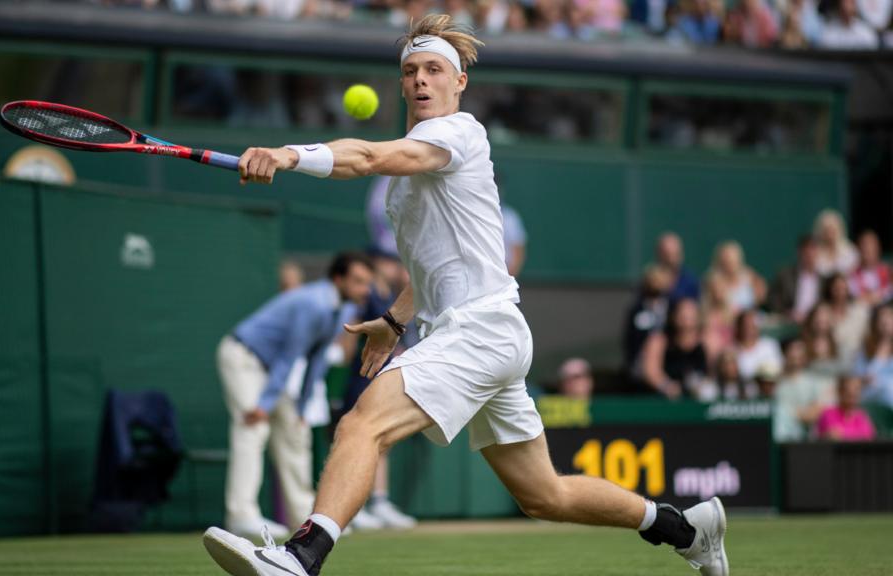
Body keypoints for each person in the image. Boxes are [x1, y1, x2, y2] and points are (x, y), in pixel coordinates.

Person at [202, 14, 728, 576]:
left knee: (361, 424)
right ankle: (687, 530)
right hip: (490, 334)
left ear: (459, 82)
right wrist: (395, 322)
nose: (421, 80)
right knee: (544, 494)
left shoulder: (459, 133)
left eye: (434, 69)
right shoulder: (402, 189)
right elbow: (430, 267)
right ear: (402, 85)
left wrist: (288, 154)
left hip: (479, 329)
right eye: (411, 71)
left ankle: (299, 558)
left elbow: (368, 157)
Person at [216, 252, 373, 541]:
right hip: (243, 357)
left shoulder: (344, 309)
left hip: (269, 368)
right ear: (338, 279)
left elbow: (317, 359)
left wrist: (302, 406)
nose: (365, 289)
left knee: (294, 432)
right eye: (358, 281)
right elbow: (290, 355)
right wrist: (264, 405)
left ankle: (304, 518)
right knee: (253, 428)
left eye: (367, 282)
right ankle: (241, 516)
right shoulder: (314, 304)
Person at [341, 248, 418, 531]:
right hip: (362, 376)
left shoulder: (392, 297)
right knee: (357, 438)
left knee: (381, 440)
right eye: (387, 261)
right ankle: (352, 505)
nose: (393, 266)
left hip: (382, 377)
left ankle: (378, 501)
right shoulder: (368, 295)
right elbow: (348, 333)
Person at [640, 298, 710, 400]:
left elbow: (712, 373)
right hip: (662, 400)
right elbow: (650, 372)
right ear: (673, 316)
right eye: (682, 315)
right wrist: (666, 386)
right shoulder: (659, 341)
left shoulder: (706, 342)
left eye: (690, 316)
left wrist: (704, 387)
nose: (686, 321)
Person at [773, 339, 836, 442]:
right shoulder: (777, 383)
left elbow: (816, 412)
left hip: (808, 434)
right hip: (783, 432)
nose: (796, 354)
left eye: (799, 350)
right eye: (792, 350)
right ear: (785, 354)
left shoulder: (815, 380)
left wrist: (794, 414)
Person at [624, 264, 674, 382]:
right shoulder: (637, 309)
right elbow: (630, 339)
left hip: (669, 357)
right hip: (642, 361)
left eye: (659, 281)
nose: (656, 285)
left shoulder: (672, 307)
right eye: (653, 281)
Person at [767, 235, 820, 323]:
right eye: (806, 251)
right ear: (799, 252)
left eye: (813, 250)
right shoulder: (785, 275)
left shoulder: (823, 279)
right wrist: (787, 313)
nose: (809, 254)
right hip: (789, 322)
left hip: (816, 323)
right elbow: (773, 299)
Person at [823, 274, 869, 367]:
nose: (841, 292)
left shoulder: (860, 311)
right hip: (832, 358)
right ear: (830, 290)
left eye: (844, 288)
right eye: (837, 288)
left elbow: (867, 336)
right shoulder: (824, 312)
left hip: (857, 358)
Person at [707, 241, 766, 314]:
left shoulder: (750, 276)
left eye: (733, 261)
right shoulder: (714, 282)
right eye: (727, 261)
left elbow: (761, 295)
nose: (731, 265)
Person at [853, 304, 893, 409]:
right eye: (882, 317)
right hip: (870, 398)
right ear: (875, 322)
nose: (885, 321)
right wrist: (864, 379)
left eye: (890, 317)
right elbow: (856, 376)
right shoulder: (865, 349)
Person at [815, 375, 877, 441]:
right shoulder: (828, 414)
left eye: (856, 389)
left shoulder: (862, 416)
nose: (852, 392)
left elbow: (869, 436)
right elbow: (833, 436)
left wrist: (844, 434)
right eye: (847, 389)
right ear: (839, 391)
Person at [734, 310, 784, 381]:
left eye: (753, 326)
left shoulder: (770, 345)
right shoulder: (732, 351)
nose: (749, 330)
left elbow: (779, 370)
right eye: (746, 326)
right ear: (739, 328)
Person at [849, 230, 892, 306]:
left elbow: (889, 291)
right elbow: (854, 295)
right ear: (859, 249)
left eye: (871, 245)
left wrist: (877, 297)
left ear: (878, 248)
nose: (868, 249)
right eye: (864, 245)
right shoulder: (852, 273)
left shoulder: (888, 271)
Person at [813, 209, 859, 276]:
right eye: (826, 231)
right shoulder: (815, 254)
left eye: (832, 230)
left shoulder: (850, 251)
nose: (829, 235)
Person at [657, 232, 700, 302]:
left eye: (674, 254)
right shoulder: (648, 284)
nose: (670, 260)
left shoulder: (690, 283)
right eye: (666, 255)